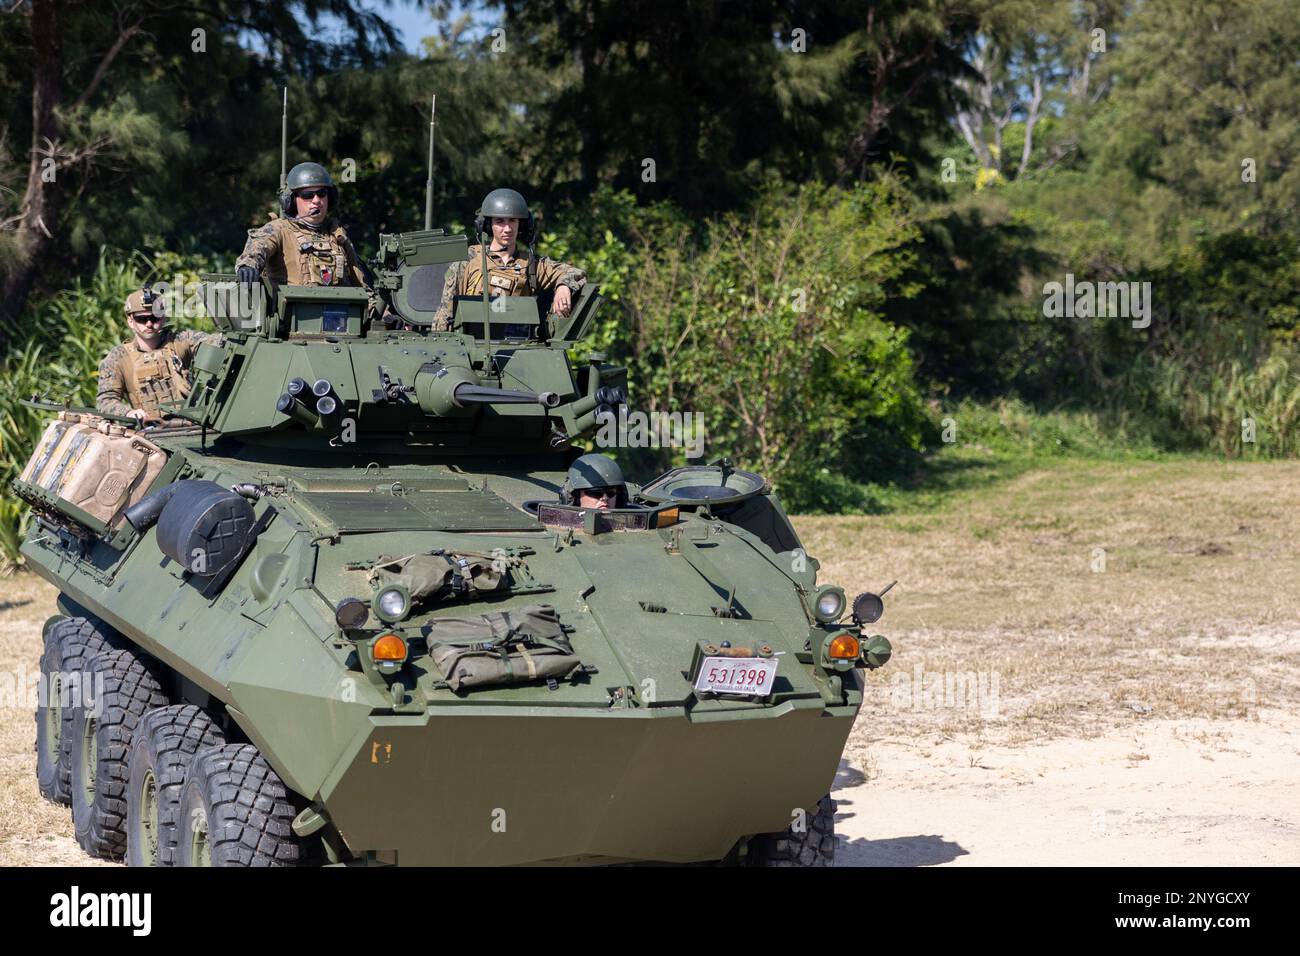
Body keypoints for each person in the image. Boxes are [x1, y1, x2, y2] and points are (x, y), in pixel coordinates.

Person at [431, 188, 585, 330]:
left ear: (521, 224)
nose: (508, 229)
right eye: (499, 222)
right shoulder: (467, 262)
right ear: (487, 225)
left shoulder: (531, 265)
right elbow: (445, 314)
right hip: (471, 344)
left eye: (512, 221)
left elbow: (574, 273)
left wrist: (563, 287)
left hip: (517, 346)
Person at [235, 162, 369, 288]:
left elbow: (362, 285)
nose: (316, 200)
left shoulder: (337, 234)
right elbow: (258, 248)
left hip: (339, 312)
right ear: (291, 200)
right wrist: (248, 266)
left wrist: (381, 312)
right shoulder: (279, 230)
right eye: (307, 195)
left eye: (322, 194)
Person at [97, 288, 221, 423]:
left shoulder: (180, 341)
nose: (149, 324)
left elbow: (216, 343)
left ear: (163, 318)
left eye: (154, 317)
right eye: (142, 319)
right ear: (130, 321)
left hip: (191, 425)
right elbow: (106, 401)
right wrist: (128, 413)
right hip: (150, 432)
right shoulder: (118, 358)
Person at [561, 453, 629, 511]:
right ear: (577, 498)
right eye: (596, 493)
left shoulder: (631, 523)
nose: (605, 498)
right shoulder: (559, 524)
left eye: (610, 493)